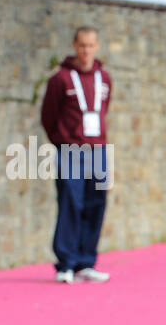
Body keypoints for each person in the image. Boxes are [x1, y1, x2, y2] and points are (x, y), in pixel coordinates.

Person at [40, 27, 114, 283]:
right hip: (70, 150)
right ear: (74, 46)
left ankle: (86, 262)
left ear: (98, 46)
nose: (86, 51)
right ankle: (66, 264)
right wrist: (63, 141)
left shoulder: (104, 78)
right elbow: (48, 117)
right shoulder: (60, 79)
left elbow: (104, 109)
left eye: (91, 45)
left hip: (99, 151)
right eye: (82, 45)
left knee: (96, 204)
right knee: (71, 203)